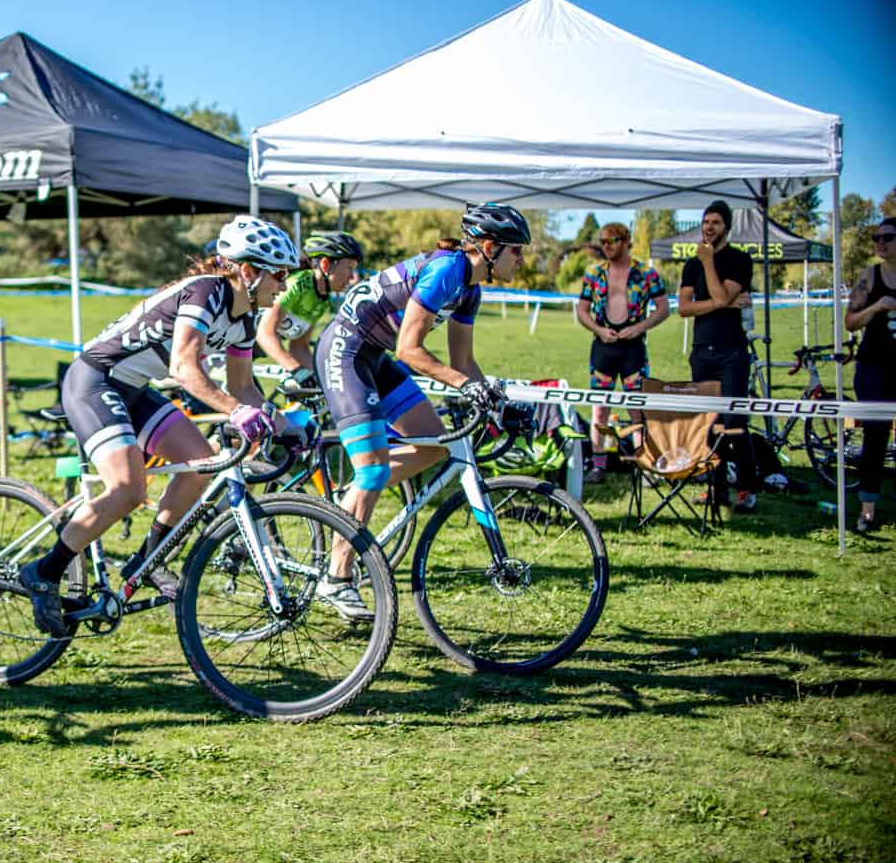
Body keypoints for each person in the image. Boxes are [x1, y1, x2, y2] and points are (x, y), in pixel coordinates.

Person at [19, 215, 299, 637]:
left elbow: (243, 389)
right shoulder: (206, 292)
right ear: (247, 270)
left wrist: (286, 425)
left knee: (202, 462)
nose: (285, 284)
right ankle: (43, 569)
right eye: (279, 273)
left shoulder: (242, 322)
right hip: (94, 380)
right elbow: (185, 369)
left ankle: (146, 561)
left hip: (133, 390)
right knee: (130, 489)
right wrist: (235, 412)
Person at [315, 203, 528, 620]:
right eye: (516, 250)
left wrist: (493, 400)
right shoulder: (447, 270)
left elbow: (463, 363)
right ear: (489, 247)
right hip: (347, 350)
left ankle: (352, 496)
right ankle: (336, 577)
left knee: (434, 446)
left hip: (374, 356)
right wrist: (466, 387)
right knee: (374, 470)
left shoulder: (470, 288)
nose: (521, 259)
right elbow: (410, 350)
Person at [677, 200, 759, 512]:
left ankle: (747, 489)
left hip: (732, 352)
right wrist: (723, 302)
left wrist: (710, 263)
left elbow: (722, 292)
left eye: (715, 222)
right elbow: (684, 308)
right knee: (709, 423)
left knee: (735, 422)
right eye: (705, 222)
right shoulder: (691, 263)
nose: (709, 227)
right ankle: (717, 488)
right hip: (702, 352)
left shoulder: (739, 260)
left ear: (727, 227)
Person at [574, 222, 670, 480]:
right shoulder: (595, 273)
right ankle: (598, 465)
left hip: (633, 348)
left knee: (637, 408)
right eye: (602, 241)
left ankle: (644, 463)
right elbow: (581, 309)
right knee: (599, 408)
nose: (606, 246)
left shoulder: (646, 273)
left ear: (626, 242)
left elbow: (663, 308)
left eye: (611, 241)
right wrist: (599, 329)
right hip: (603, 346)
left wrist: (640, 328)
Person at [844, 216, 896, 532]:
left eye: (887, 237)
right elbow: (850, 322)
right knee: (875, 437)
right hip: (874, 366)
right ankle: (867, 509)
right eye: (876, 237)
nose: (880, 243)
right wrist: (876, 309)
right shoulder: (869, 277)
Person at [256, 232, 362, 386]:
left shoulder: (322, 298)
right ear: (325, 264)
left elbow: (299, 347)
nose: (352, 277)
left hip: (246, 354)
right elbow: (265, 334)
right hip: (225, 351)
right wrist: (297, 370)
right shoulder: (297, 284)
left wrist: (323, 381)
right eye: (349, 268)